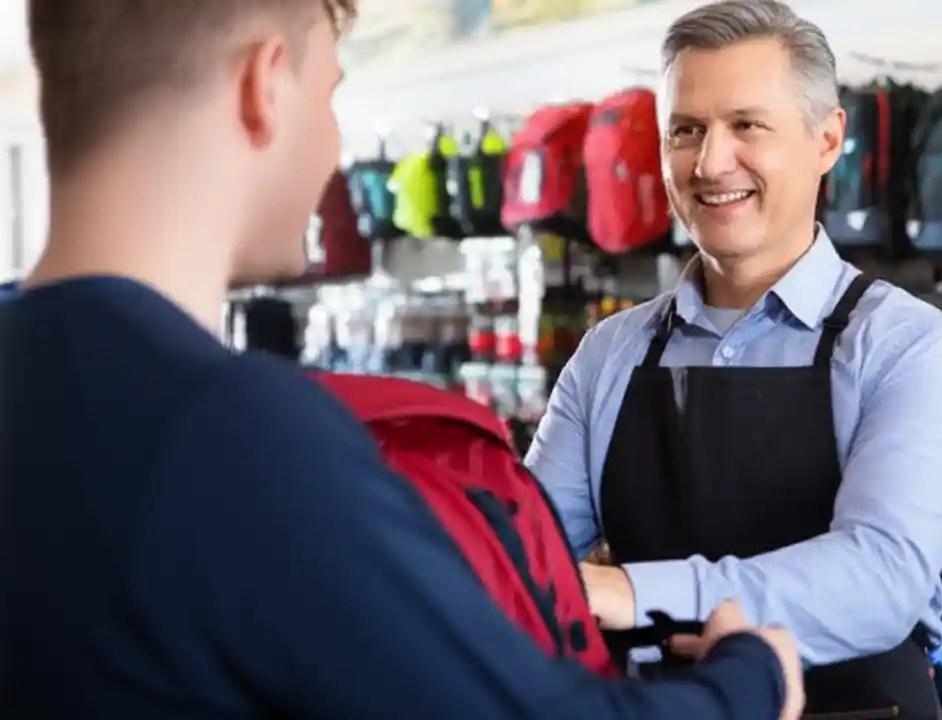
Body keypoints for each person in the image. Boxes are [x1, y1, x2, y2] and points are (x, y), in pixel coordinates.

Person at [0, 1, 806, 718]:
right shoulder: (227, 434)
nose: (334, 146)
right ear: (263, 88)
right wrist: (752, 676)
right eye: (331, 94)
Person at [526, 0, 942, 717]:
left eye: (746, 125)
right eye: (686, 130)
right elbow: (526, 555)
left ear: (827, 138)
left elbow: (880, 579)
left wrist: (633, 594)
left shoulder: (910, 349)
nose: (710, 163)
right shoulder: (608, 355)